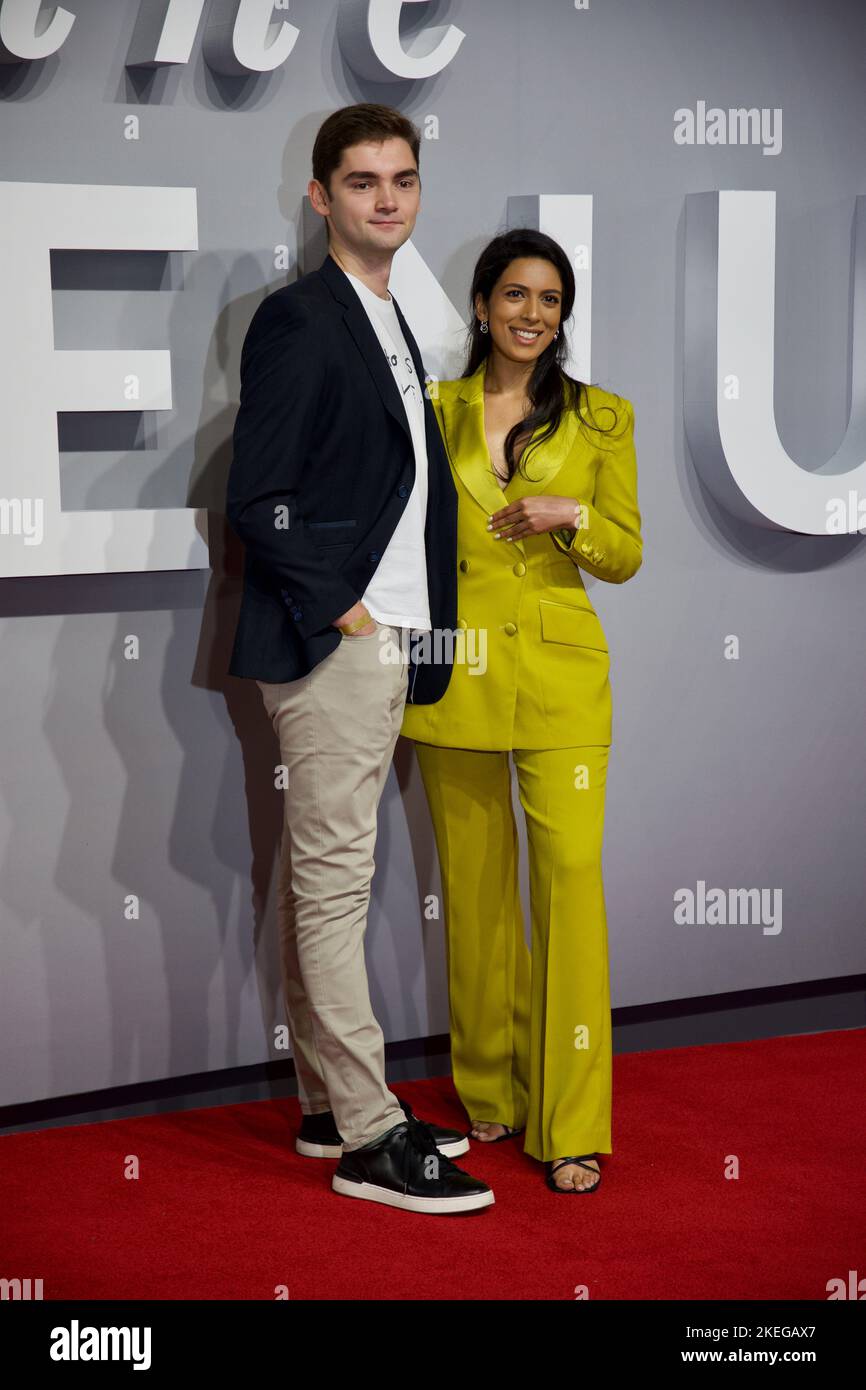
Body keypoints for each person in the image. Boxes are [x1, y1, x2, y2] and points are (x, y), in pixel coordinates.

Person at [225, 103, 493, 1215]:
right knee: (335, 889)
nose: (385, 198)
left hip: (388, 642)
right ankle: (373, 1137)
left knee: (321, 879)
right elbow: (259, 496)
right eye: (361, 181)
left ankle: (331, 1102)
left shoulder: (387, 319)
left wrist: (407, 632)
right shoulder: (301, 319)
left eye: (401, 179)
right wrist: (345, 614)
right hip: (336, 645)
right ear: (319, 196)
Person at [400, 228, 643, 1193]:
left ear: (563, 313)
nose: (531, 313)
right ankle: (492, 1092)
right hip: (454, 673)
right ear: (483, 304)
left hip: (563, 680)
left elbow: (626, 553)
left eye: (549, 298)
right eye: (514, 294)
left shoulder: (603, 419)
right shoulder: (434, 407)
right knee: (476, 894)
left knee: (572, 884)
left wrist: (572, 517)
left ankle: (575, 1121)